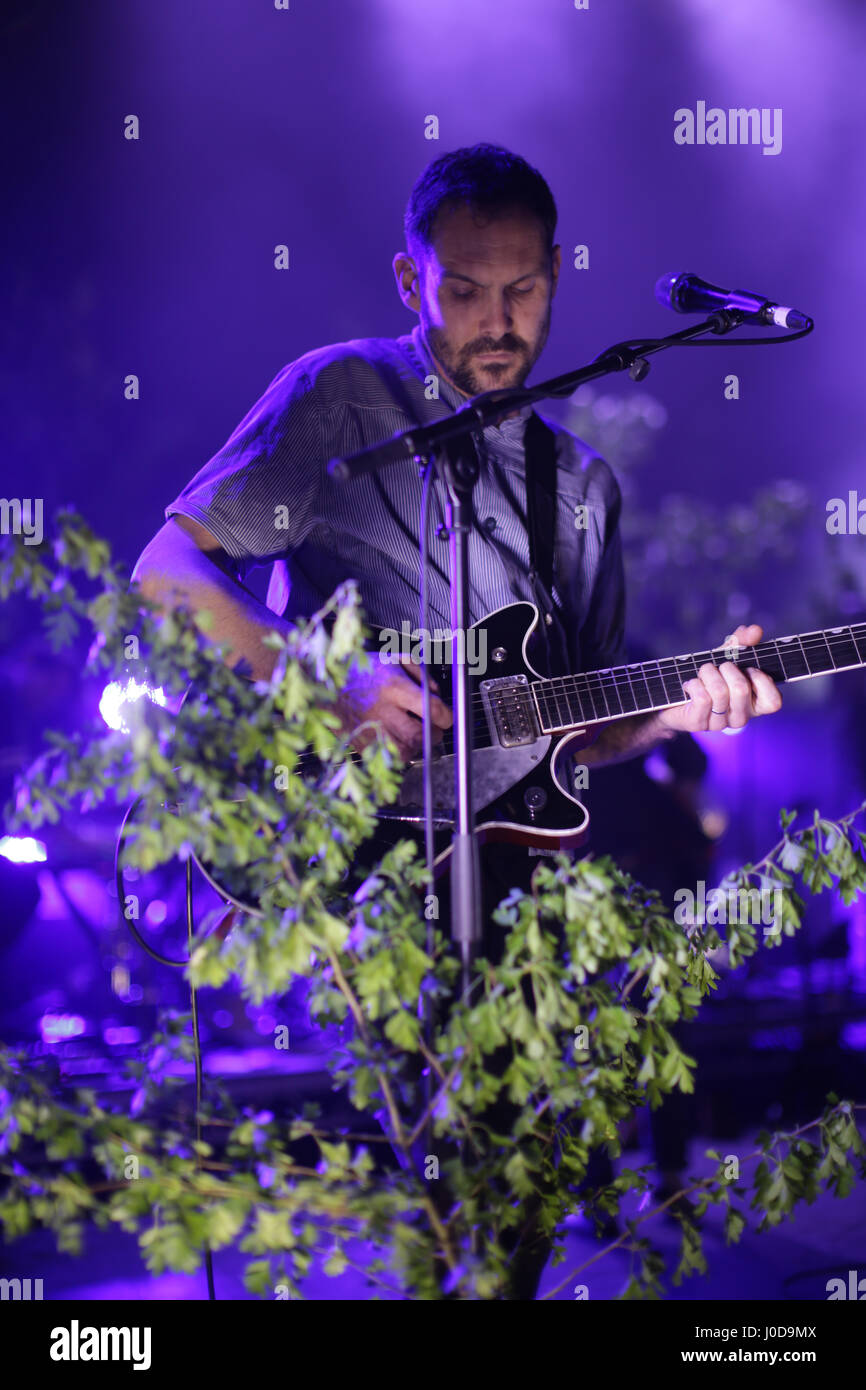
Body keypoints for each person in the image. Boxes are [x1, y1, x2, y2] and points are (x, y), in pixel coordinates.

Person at [133, 143, 782, 1296]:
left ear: (558, 274)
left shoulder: (579, 488)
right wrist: (308, 678)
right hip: (348, 863)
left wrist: (687, 703)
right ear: (407, 280)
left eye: (523, 288)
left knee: (541, 1156)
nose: (497, 319)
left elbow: (575, 729)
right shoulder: (340, 401)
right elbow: (167, 570)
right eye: (463, 289)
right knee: (419, 1161)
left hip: (511, 886)